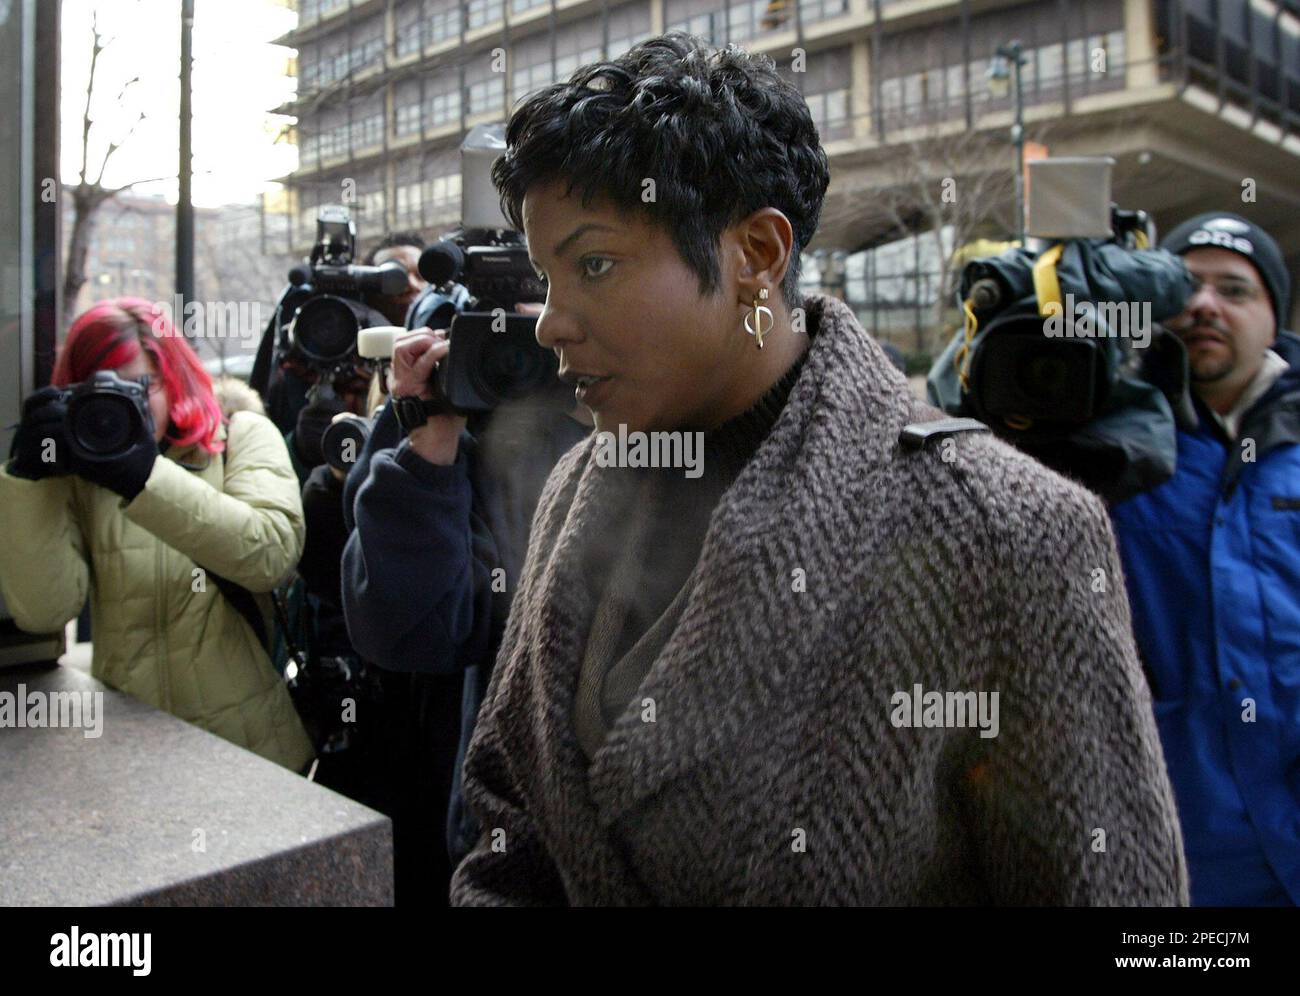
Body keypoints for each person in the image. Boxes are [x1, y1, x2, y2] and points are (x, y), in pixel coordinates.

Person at [447, 33, 1188, 906]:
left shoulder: (1010, 532)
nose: (551, 322)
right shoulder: (573, 488)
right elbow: (506, 818)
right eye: (547, 275)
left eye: (596, 264)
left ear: (756, 254)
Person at [0, 298, 313, 772]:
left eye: (137, 385)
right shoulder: (78, 475)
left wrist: (142, 477)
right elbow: (46, 609)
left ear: (176, 377)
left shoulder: (241, 435)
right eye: (96, 388)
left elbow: (271, 556)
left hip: (247, 749)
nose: (118, 403)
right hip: (129, 752)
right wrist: (28, 481)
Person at [340, 311, 590, 904]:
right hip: (512, 844)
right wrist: (430, 436)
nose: (549, 336)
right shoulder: (468, 431)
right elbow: (416, 630)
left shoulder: (684, 419)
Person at [1110, 212, 1300, 906]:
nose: (1204, 306)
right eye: (1183, 286)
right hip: (1186, 868)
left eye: (1235, 290)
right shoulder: (1113, 450)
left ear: (1275, 317)